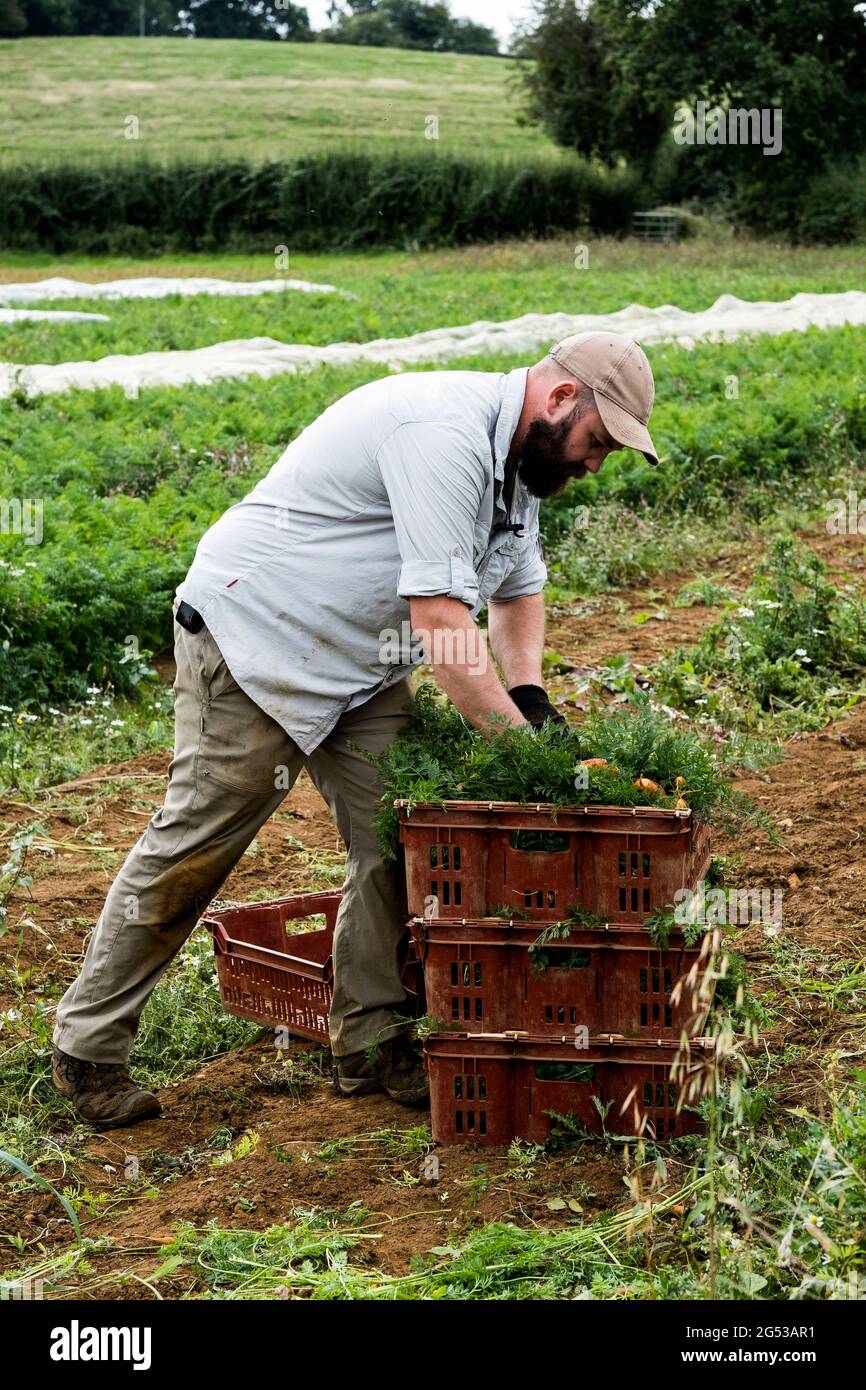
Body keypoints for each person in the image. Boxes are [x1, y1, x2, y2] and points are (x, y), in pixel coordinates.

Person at [52, 331, 658, 1127]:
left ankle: (369, 1038)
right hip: (256, 641)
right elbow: (442, 620)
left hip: (361, 666)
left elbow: (518, 589)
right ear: (559, 400)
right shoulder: (440, 432)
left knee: (398, 838)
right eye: (597, 443)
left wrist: (532, 694)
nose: (594, 463)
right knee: (198, 845)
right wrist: (520, 751)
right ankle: (87, 1048)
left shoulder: (520, 468)